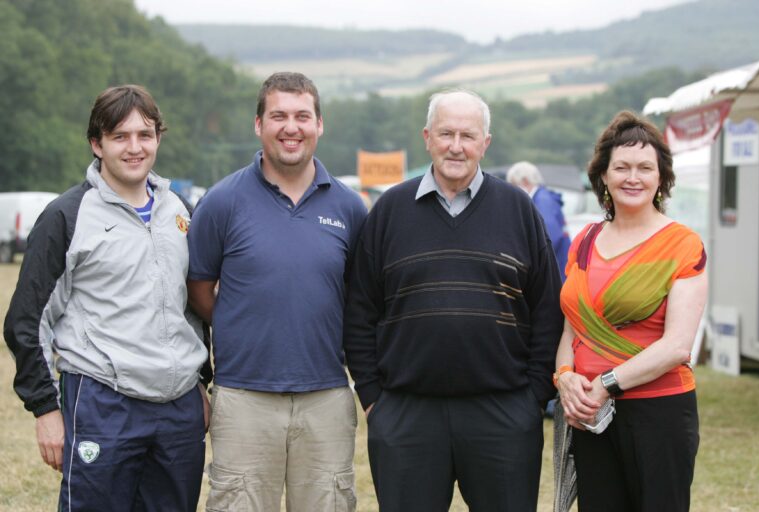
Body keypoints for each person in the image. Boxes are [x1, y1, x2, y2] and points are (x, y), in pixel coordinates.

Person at [343, 90, 563, 512]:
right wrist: (373, 397)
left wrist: (533, 396)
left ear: (486, 143)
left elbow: (547, 309)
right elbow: (359, 311)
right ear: (427, 137)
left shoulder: (518, 209)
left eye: (468, 135)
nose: (456, 146)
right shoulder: (390, 211)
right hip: (407, 414)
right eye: (446, 133)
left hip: (503, 412)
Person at [3, 84, 211, 511]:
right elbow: (26, 320)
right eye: (120, 136)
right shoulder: (67, 215)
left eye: (145, 135)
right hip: (102, 402)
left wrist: (201, 385)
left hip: (178, 410)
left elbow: (193, 307)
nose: (134, 147)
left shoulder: (181, 211)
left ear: (158, 139)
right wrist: (45, 410)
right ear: (97, 144)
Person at [187, 72, 367, 512]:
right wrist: (240, 321)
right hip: (243, 397)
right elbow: (198, 288)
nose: (292, 127)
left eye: (303, 116)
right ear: (258, 125)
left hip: (325, 395)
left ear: (320, 124)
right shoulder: (222, 201)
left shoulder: (349, 207)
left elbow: (358, 299)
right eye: (279, 116)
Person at [554, 110, 707, 511]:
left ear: (661, 178)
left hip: (658, 413)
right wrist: (566, 379)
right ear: (603, 175)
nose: (632, 177)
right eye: (621, 167)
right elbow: (572, 330)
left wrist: (603, 385)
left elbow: (677, 346)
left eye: (644, 168)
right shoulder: (584, 240)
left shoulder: (682, 244)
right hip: (592, 415)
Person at [507, 161, 571, 281]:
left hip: (557, 270)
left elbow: (550, 237)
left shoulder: (542, 201)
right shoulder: (544, 197)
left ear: (525, 181)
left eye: (514, 185)